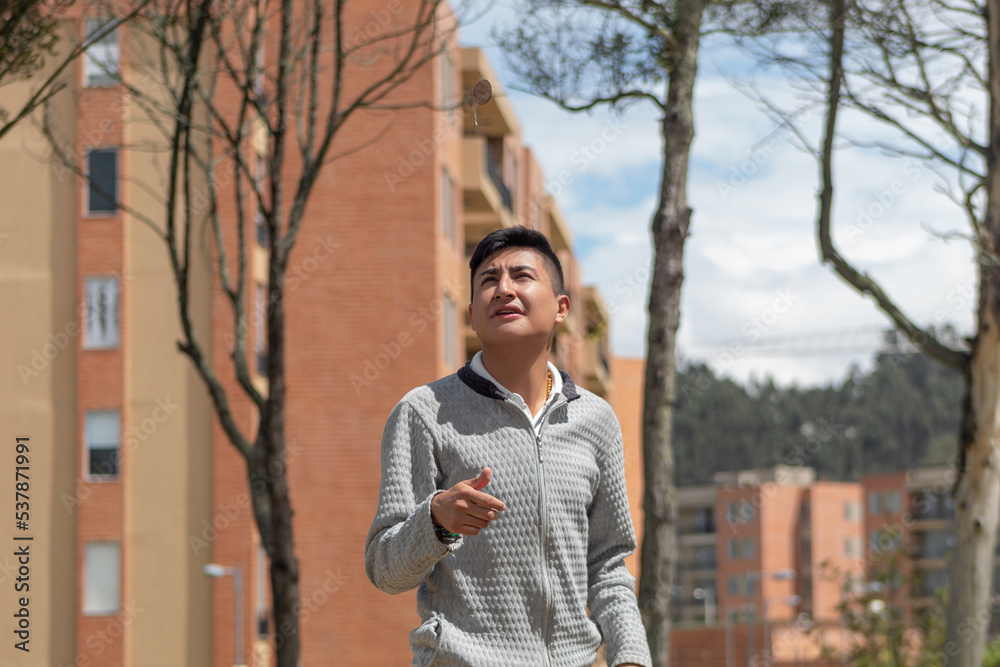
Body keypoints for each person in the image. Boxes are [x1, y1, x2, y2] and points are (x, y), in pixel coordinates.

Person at [365, 226, 651, 667]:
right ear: (472, 315)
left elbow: (608, 566)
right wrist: (437, 521)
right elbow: (385, 569)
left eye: (522, 276)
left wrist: (630, 656)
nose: (503, 289)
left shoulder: (596, 420)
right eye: (488, 280)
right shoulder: (422, 412)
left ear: (561, 308)